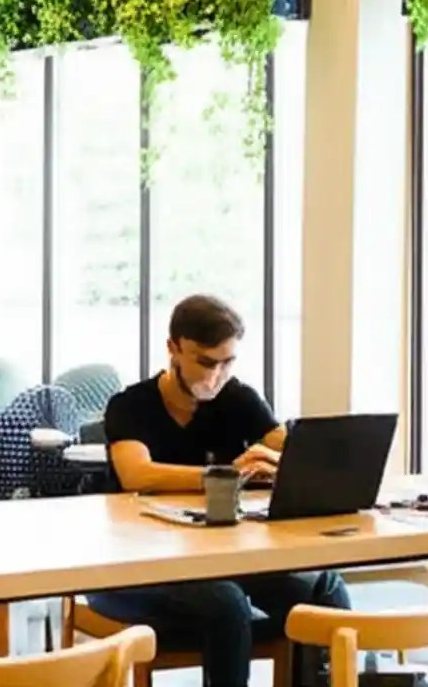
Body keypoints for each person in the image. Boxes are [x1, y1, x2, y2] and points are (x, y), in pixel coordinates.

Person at [90, 294, 351, 687]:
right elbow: (137, 474)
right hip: (137, 568)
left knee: (322, 587)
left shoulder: (238, 398)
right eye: (205, 362)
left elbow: (291, 448)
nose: (215, 376)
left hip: (224, 560)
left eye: (227, 363)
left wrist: (279, 463)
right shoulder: (131, 405)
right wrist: (228, 474)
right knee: (225, 602)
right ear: (173, 348)